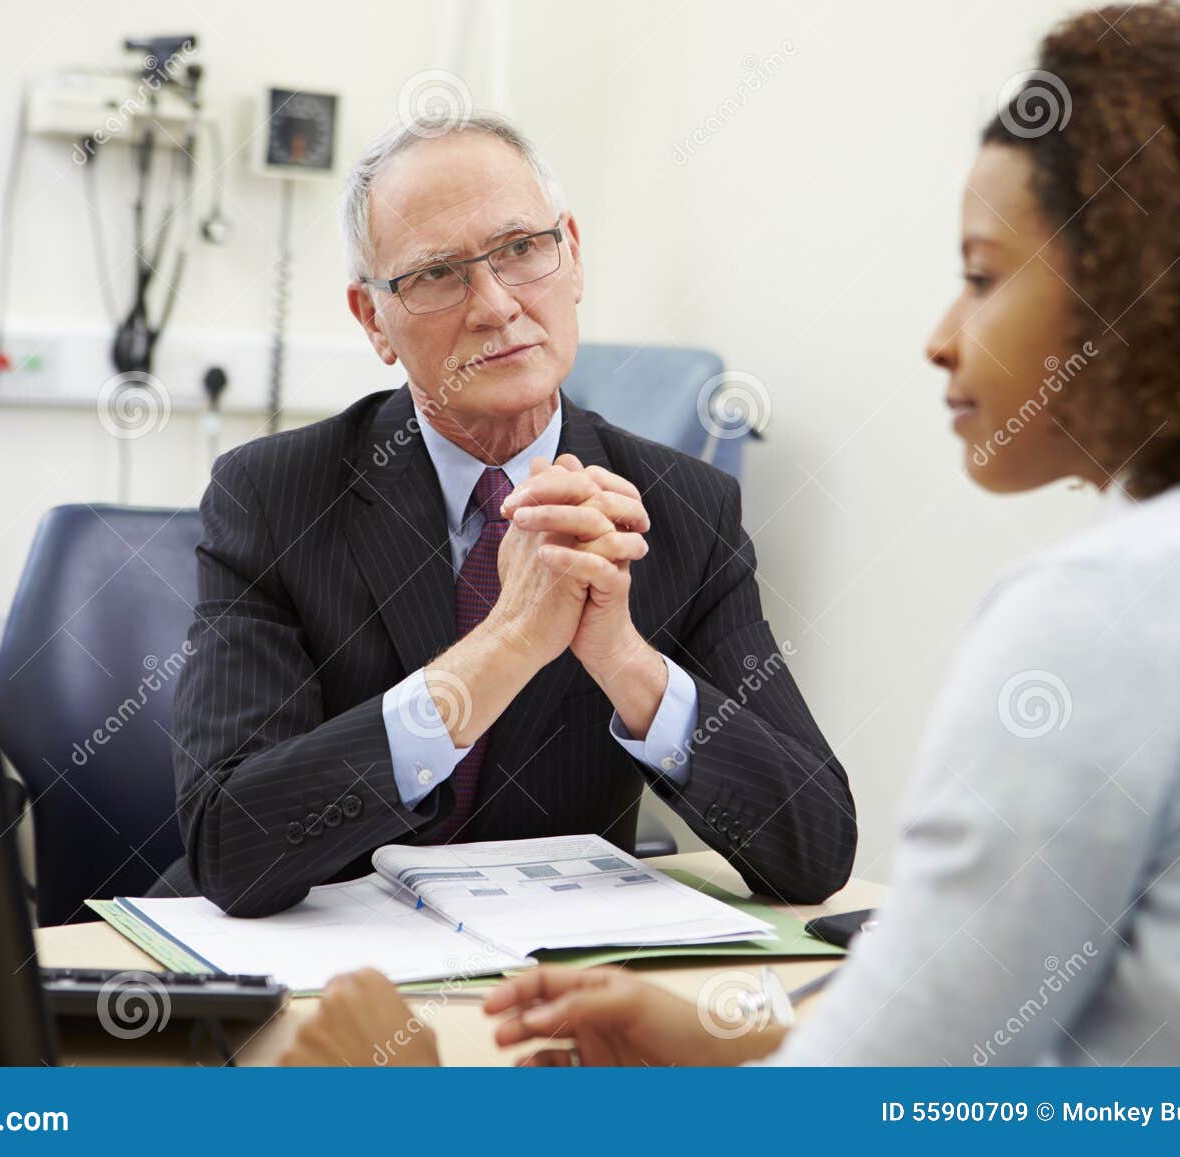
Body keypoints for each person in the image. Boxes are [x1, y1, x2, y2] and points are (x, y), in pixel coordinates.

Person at [282, 2, 1180, 1066]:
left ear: (1134, 289)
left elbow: (881, 1091)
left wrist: (406, 1105)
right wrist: (744, 1038)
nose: (940, 337)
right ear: (373, 315)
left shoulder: (1108, 606)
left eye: (981, 276)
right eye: (436, 275)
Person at [149, 112, 857, 918]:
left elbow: (817, 847)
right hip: (320, 966)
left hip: (544, 976)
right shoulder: (276, 496)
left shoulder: (683, 508)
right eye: (437, 273)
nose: (495, 305)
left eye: (521, 248)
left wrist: (626, 661)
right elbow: (230, 845)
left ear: (572, 256)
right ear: (373, 319)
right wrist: (506, 646)